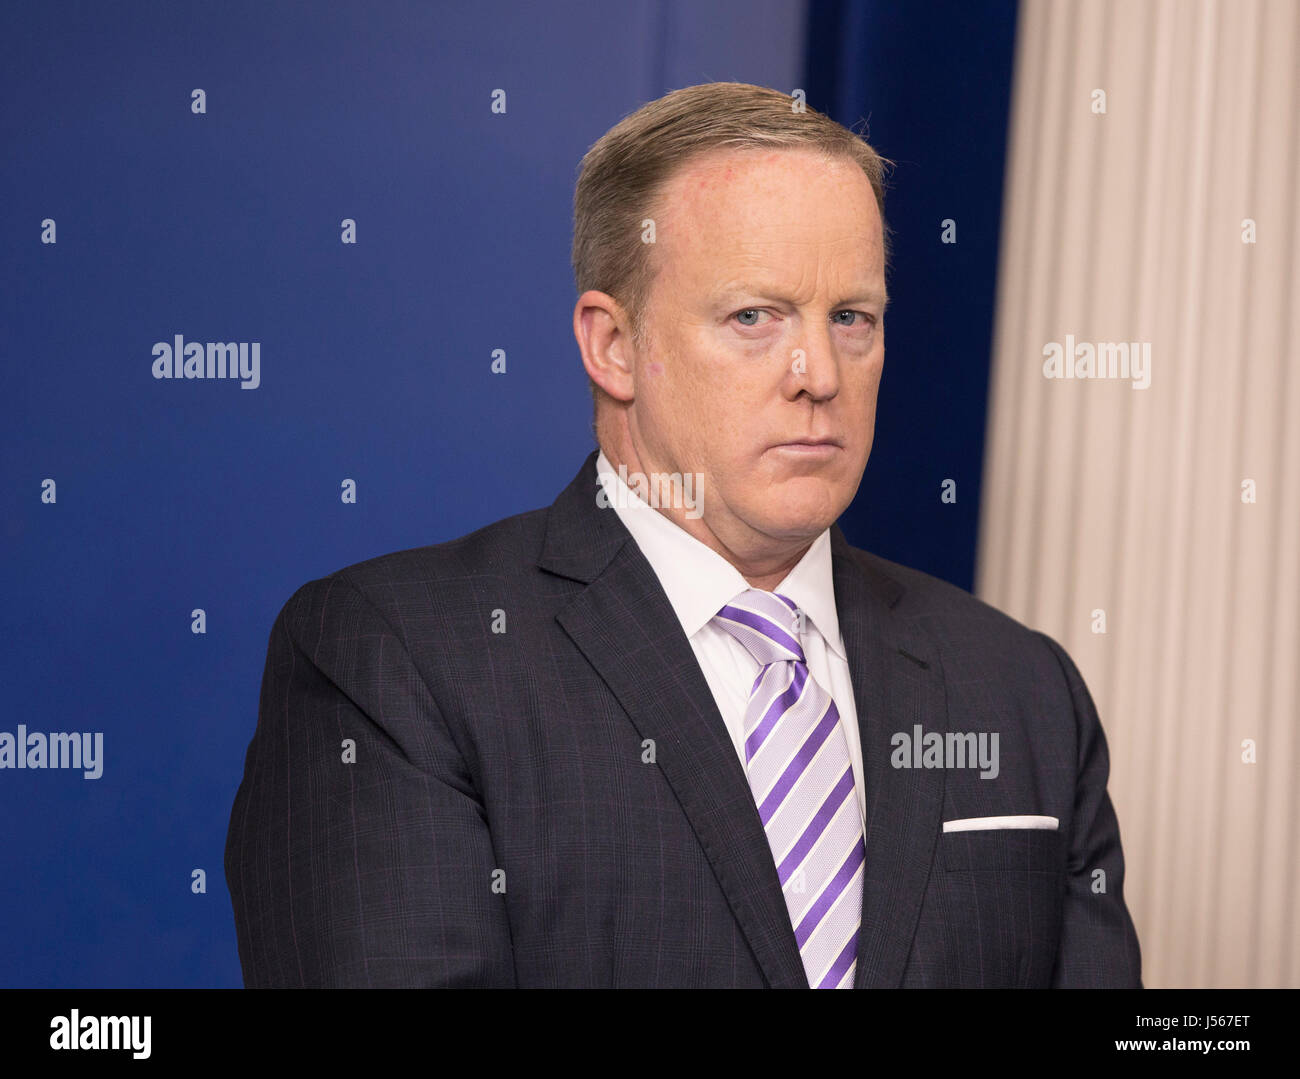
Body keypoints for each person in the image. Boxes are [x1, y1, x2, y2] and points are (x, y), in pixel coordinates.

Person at [224, 81, 1141, 988]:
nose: (818, 372)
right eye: (754, 317)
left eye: (851, 319)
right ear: (614, 346)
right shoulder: (398, 662)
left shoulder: (1022, 689)